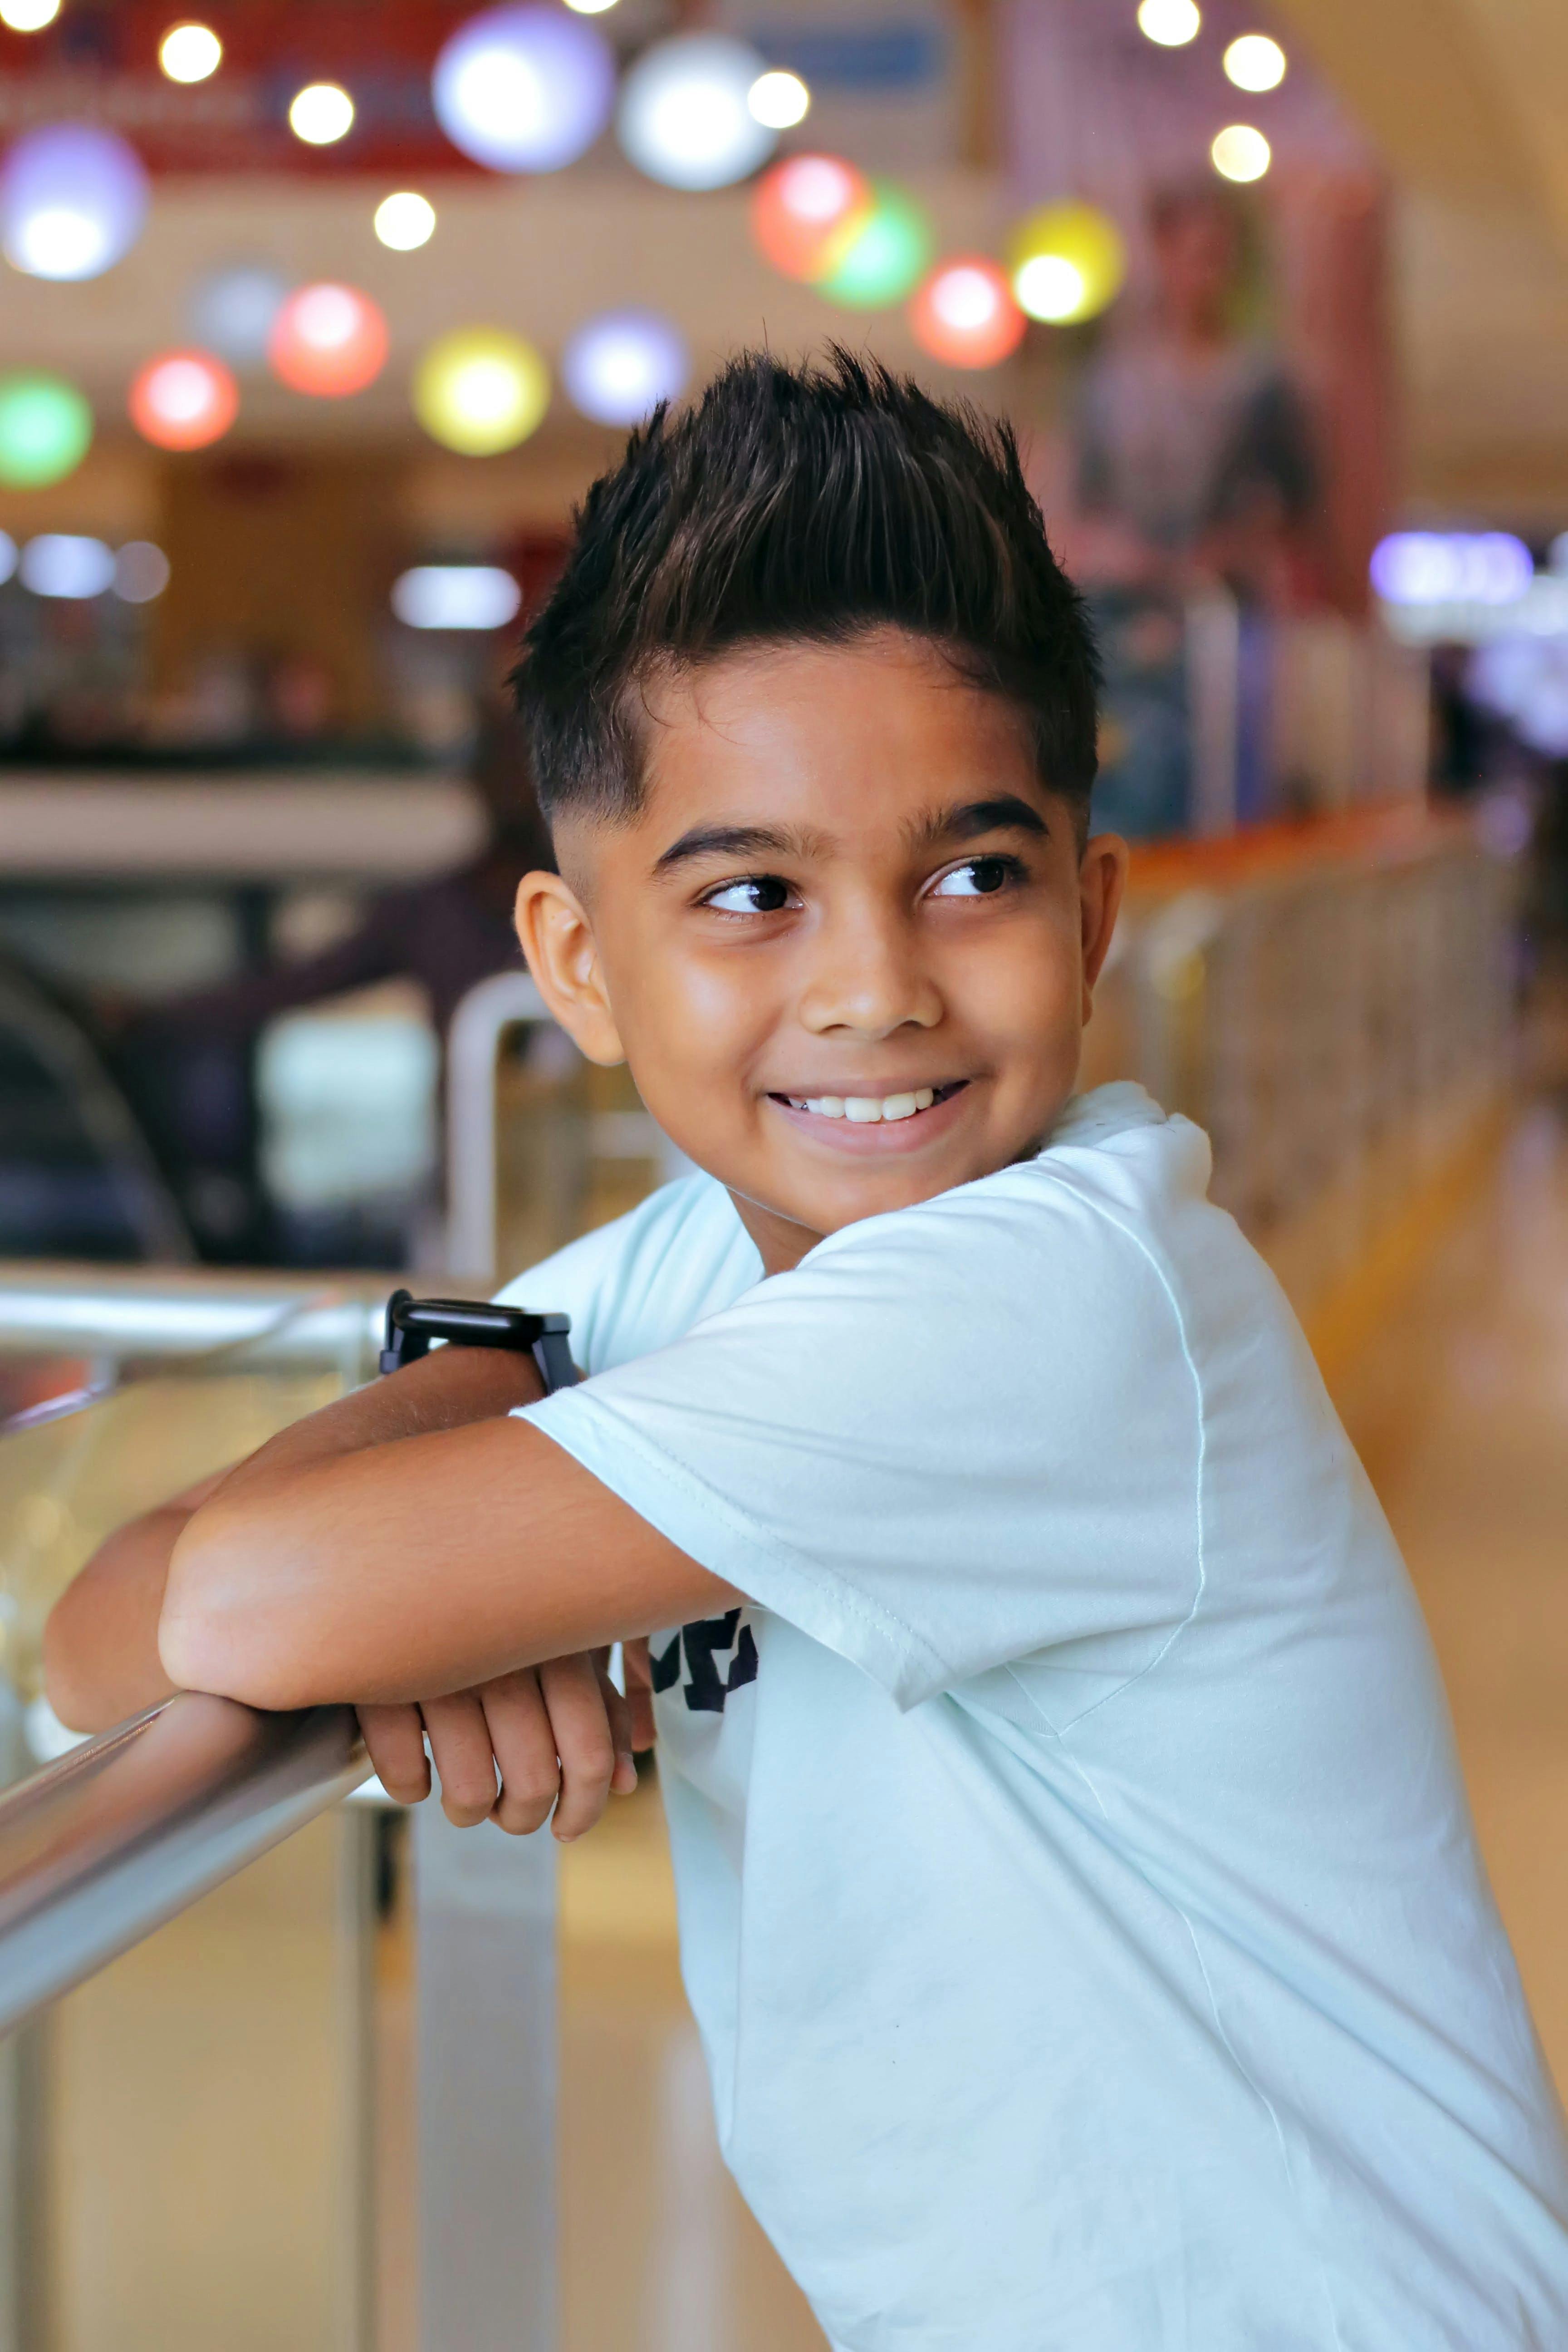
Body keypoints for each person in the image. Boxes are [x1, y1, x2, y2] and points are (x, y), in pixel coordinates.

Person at [44, 353, 1568, 2348]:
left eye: (973, 875)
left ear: (1094, 916)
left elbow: (242, 1593)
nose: (875, 984)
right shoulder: (691, 1270)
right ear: (579, 966)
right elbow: (106, 1646)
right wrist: (470, 1405)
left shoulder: (1062, 1297)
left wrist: (427, 1526)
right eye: (754, 894)